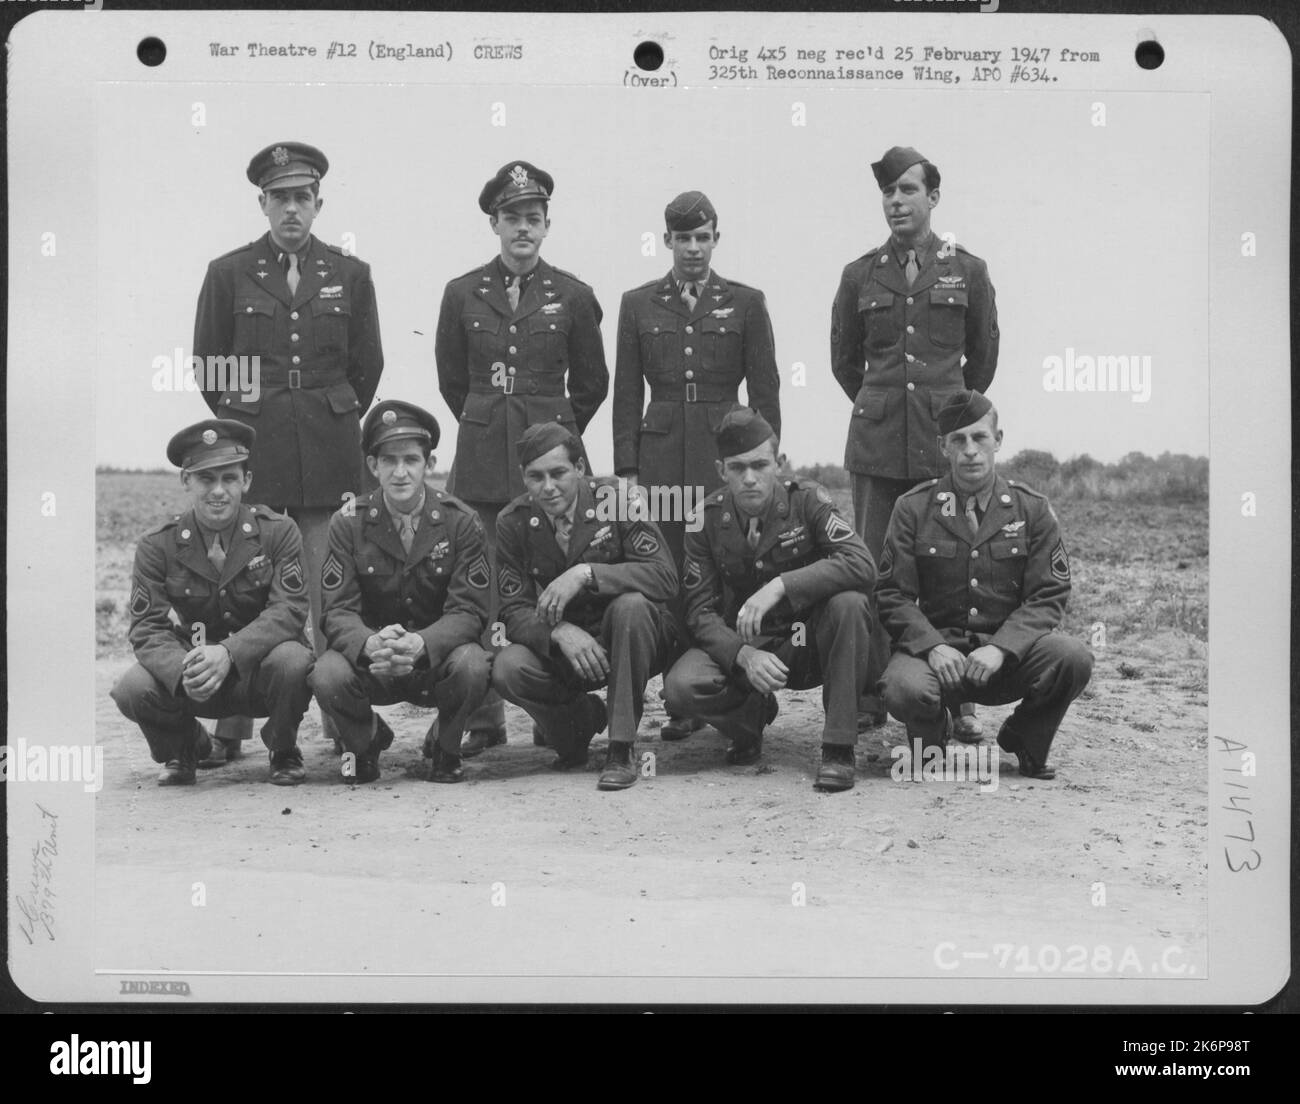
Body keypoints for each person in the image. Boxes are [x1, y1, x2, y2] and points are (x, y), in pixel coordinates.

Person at [193, 141, 384, 761]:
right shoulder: (228, 272)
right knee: (246, 586)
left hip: (330, 455)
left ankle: (338, 720)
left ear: (319, 203)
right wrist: (247, 417)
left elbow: (367, 365)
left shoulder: (350, 275)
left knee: (329, 588)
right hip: (260, 450)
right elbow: (211, 364)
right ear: (263, 203)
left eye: (303, 198)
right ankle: (231, 728)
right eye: (281, 199)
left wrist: (330, 410)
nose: (292, 209)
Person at [436, 161, 609, 757]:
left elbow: (592, 383)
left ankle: (550, 712)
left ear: (546, 226)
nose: (522, 229)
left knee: (549, 586)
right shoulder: (462, 293)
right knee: (484, 590)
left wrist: (555, 445)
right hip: (483, 465)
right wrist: (488, 423)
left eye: (532, 219)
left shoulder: (574, 296)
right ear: (494, 223)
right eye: (511, 218)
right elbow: (452, 381)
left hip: (550, 467)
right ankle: (484, 721)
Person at [830, 145, 999, 739]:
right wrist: (884, 404)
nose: (896, 201)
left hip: (939, 445)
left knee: (953, 566)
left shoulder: (967, 270)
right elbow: (844, 362)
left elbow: (982, 360)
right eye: (888, 192)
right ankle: (875, 692)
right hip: (877, 446)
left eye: (907, 190)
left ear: (933, 197)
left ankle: (962, 701)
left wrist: (947, 416)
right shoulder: (859, 274)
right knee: (873, 567)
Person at [612, 189, 781, 741]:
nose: (692, 249)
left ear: (715, 239)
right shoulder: (637, 304)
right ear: (666, 241)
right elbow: (624, 395)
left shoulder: (746, 301)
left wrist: (763, 460)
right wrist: (628, 472)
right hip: (659, 460)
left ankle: (717, 686)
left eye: (701, 237)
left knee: (715, 568)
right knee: (667, 573)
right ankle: (677, 700)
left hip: (721, 459)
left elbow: (765, 389)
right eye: (681, 238)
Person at [876, 392, 1092, 780]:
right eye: (958, 440)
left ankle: (1025, 736)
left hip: (1006, 661)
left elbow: (1049, 595)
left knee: (1072, 658)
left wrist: (1001, 648)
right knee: (901, 687)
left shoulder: (1031, 509)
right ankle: (931, 736)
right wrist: (933, 646)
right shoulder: (914, 508)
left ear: (999, 440)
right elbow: (893, 594)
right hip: (938, 659)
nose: (970, 451)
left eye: (979, 438)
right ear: (943, 447)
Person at [663, 409, 877, 792]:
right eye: (737, 467)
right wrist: (743, 656)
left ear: (778, 464)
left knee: (848, 603)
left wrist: (781, 584)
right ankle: (749, 722)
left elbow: (861, 563)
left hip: (807, 641)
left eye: (760, 465)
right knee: (682, 685)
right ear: (720, 469)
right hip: (747, 644)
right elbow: (699, 611)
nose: (749, 478)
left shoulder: (808, 500)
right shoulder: (704, 519)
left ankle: (838, 747)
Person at [110, 420, 313, 786]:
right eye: (206, 479)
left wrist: (229, 653)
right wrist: (181, 669)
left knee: (294, 660)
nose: (218, 491)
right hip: (196, 674)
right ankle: (186, 749)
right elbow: (146, 628)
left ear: (246, 481)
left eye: (229, 479)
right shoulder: (158, 545)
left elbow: (289, 611)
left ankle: (283, 750)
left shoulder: (278, 532)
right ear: (186, 480)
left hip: (257, 671)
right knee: (132, 689)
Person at [309, 401, 492, 784]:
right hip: (374, 662)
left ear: (430, 463)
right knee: (326, 672)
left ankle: (446, 745)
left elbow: (469, 611)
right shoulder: (347, 524)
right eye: (389, 461)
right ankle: (366, 740)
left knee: (474, 663)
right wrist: (370, 644)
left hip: (434, 662)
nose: (401, 472)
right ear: (373, 466)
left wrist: (421, 644)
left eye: (411, 459)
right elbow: (337, 610)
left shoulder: (461, 522)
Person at [491, 422, 678, 791]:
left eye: (558, 473)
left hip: (633, 637)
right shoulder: (513, 523)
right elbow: (512, 609)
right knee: (508, 667)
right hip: (571, 648)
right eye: (535, 477)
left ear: (579, 469)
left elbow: (663, 576)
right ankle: (577, 725)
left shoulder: (616, 497)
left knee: (631, 606)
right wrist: (558, 632)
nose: (548, 487)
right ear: (523, 477)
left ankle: (620, 748)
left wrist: (587, 573)